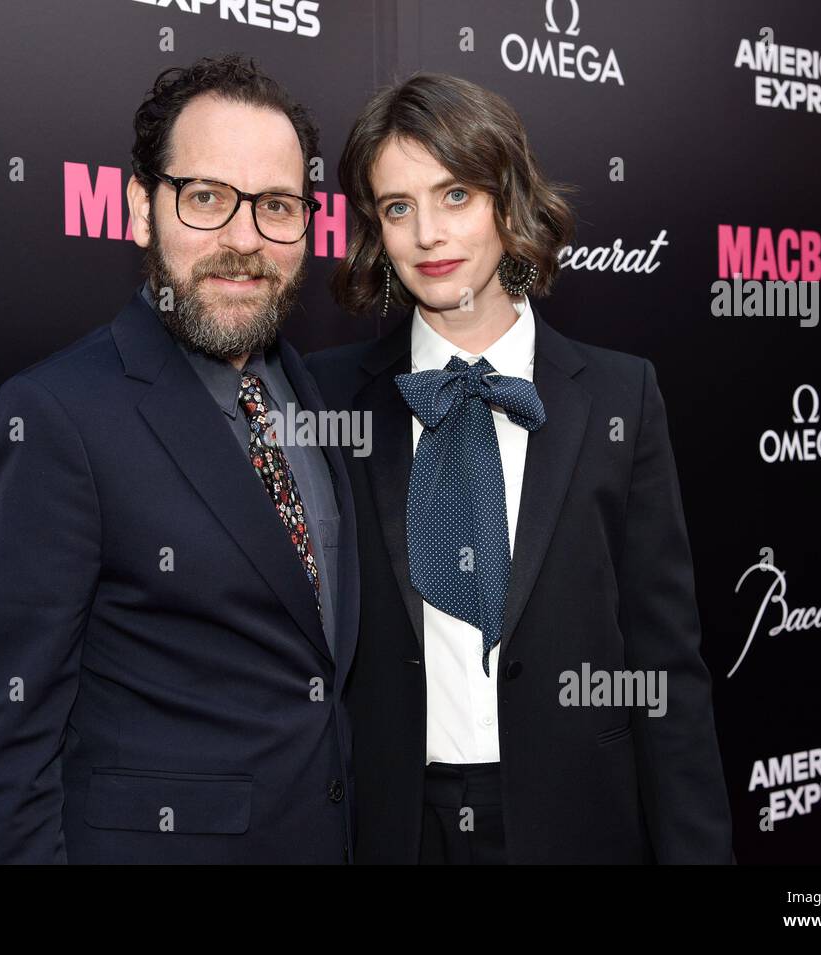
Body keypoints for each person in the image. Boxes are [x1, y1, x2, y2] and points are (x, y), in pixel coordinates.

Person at [307, 72, 734, 864]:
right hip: (391, 827)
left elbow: (664, 658)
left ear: (508, 200)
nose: (428, 233)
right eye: (398, 207)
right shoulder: (327, 398)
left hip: (580, 821)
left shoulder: (619, 394)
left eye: (456, 195)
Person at [0, 53, 359, 863]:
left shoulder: (311, 392)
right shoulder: (56, 418)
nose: (244, 240)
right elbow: (6, 753)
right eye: (206, 197)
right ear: (142, 207)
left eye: (276, 206)